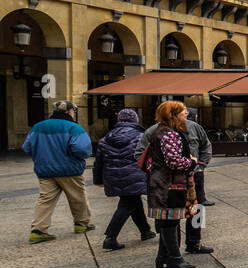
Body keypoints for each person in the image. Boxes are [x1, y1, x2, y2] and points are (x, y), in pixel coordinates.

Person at [137, 112, 215, 256]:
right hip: (170, 181)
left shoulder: (194, 127)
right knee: (171, 215)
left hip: (193, 175)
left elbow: (206, 145)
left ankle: (195, 242)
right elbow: (140, 153)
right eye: (182, 112)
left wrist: (201, 166)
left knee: (197, 210)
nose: (186, 114)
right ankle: (171, 249)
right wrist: (158, 171)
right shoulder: (154, 131)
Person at [24, 99, 94, 244]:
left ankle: (38, 230)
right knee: (78, 197)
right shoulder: (74, 128)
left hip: (45, 171)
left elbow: (27, 147)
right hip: (70, 170)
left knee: (45, 199)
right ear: (69, 112)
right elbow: (83, 150)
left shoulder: (38, 127)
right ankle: (81, 224)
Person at [142, 101, 198, 268]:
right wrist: (191, 162)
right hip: (169, 184)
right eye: (183, 112)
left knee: (168, 220)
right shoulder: (169, 134)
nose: (186, 114)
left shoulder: (159, 131)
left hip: (161, 182)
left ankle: (163, 257)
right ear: (173, 115)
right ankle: (174, 258)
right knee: (170, 221)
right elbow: (173, 161)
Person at [92, 108, 155, 251]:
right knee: (127, 204)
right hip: (136, 175)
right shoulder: (141, 137)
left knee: (133, 200)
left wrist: (98, 180)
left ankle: (145, 230)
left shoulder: (105, 138)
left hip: (114, 177)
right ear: (135, 120)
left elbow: (98, 163)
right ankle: (110, 237)